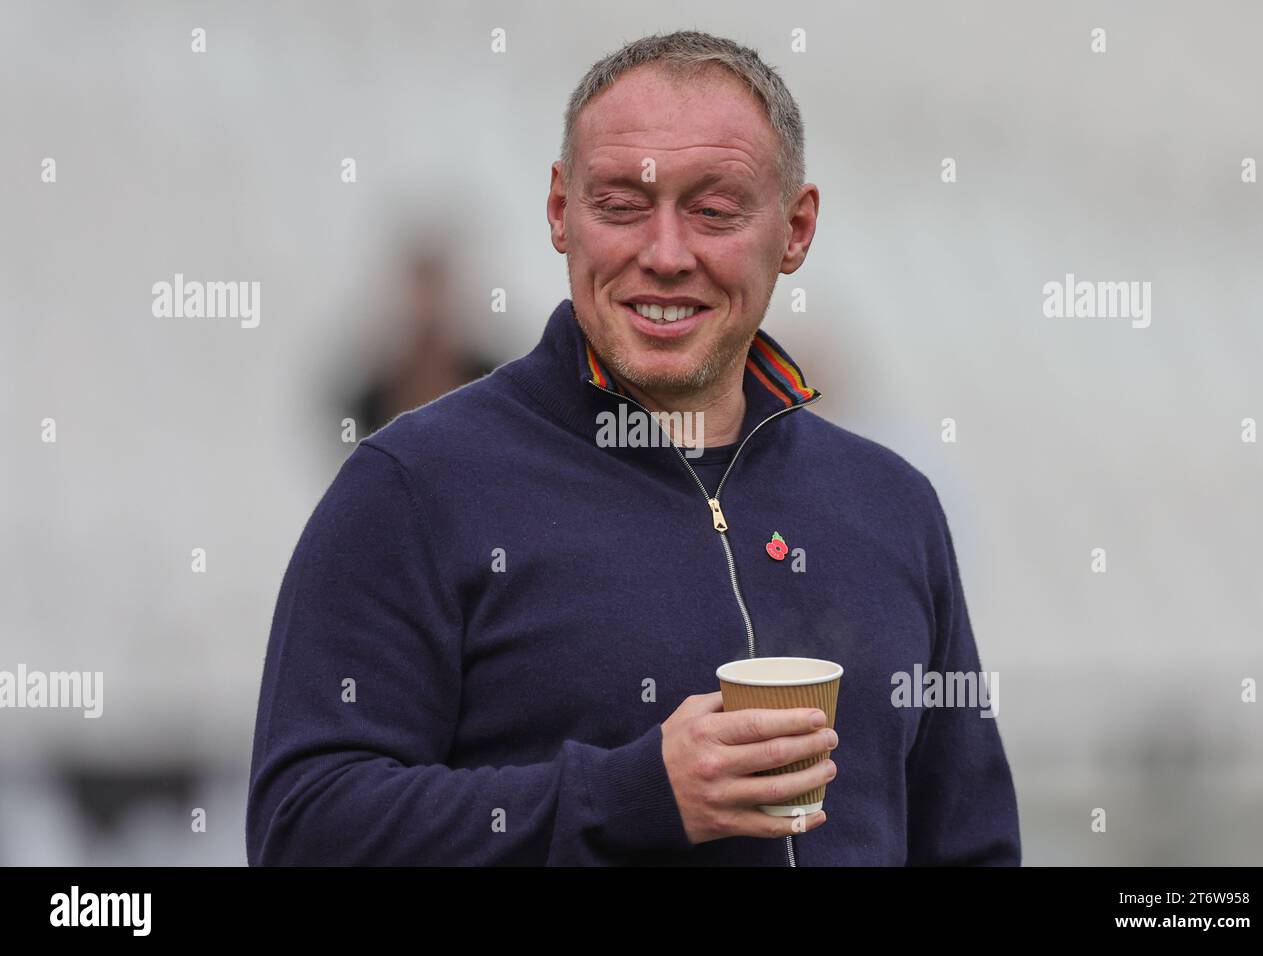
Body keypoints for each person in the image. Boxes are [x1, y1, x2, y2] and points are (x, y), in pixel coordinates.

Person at [246, 30, 1021, 866]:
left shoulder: (892, 505)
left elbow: (971, 845)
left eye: (714, 210)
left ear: (795, 230)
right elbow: (304, 830)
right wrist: (634, 796)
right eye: (620, 204)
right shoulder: (412, 488)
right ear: (559, 212)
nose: (664, 254)